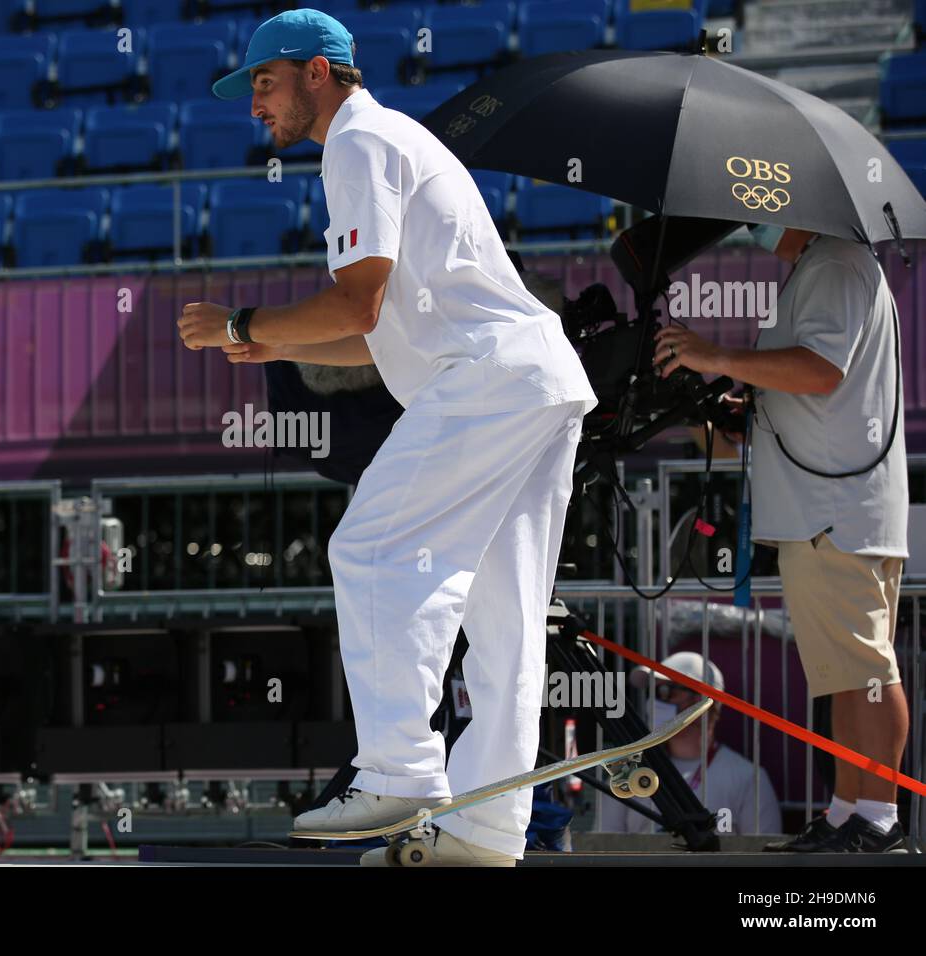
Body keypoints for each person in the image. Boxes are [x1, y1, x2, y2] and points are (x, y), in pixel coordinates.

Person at [177, 9, 598, 866]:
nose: (255, 105)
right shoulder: (389, 137)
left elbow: (356, 305)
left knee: (370, 549)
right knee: (505, 625)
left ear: (317, 73)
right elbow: (373, 332)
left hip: (486, 380)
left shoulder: (357, 144)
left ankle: (401, 771)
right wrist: (264, 340)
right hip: (535, 380)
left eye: (263, 82)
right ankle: (485, 833)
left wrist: (242, 320)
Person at [651, 224, 909, 852]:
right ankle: (851, 810)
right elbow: (817, 391)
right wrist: (739, 412)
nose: (754, 220)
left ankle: (877, 813)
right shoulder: (827, 264)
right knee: (843, 676)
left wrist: (716, 357)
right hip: (824, 509)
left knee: (866, 670)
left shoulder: (836, 263)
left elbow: (821, 371)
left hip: (834, 510)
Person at [597, 652, 782, 836]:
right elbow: (602, 849)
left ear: (701, 701)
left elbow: (763, 856)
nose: (654, 702)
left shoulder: (748, 779)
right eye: (653, 692)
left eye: (666, 692)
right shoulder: (627, 774)